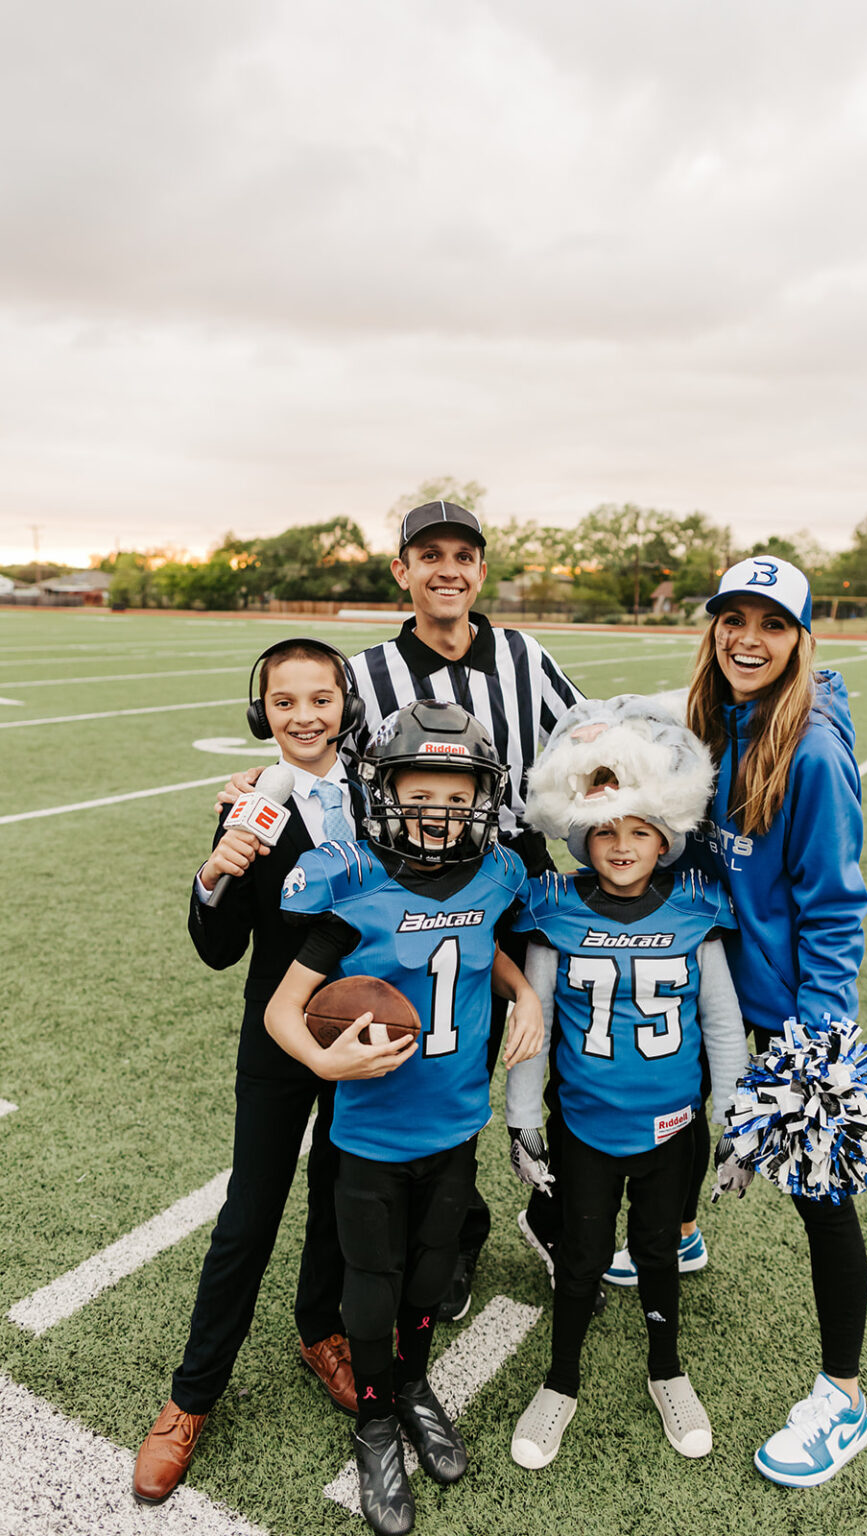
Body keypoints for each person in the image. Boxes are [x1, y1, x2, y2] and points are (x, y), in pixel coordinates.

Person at [224, 500, 586, 1318]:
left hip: (509, 866)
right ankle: (453, 1236)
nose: (447, 570)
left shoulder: (526, 655)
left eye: (463, 555)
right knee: (435, 1050)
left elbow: (585, 735)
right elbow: (320, 756)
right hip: (411, 879)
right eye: (430, 556)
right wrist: (260, 782)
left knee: (530, 1045)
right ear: (404, 571)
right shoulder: (368, 672)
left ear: (481, 570)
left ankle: (551, 1210)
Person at [265, 699, 543, 1536]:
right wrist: (321, 1061)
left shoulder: (497, 875)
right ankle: (375, 1421)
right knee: (373, 1285)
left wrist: (523, 991)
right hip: (371, 1137)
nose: (437, 812)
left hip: (455, 1127)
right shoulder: (353, 881)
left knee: (431, 1277)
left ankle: (414, 1384)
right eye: (420, 791)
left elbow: (477, 943)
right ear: (384, 790)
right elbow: (284, 1009)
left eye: (457, 798)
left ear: (482, 801)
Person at [133, 638, 368, 1506]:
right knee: (249, 1212)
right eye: (283, 702)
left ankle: (321, 1330)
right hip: (277, 1031)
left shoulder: (381, 791)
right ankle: (191, 1397)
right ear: (260, 713)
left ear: (345, 702)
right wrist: (213, 874)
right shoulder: (253, 807)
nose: (304, 716)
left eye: (320, 698)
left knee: (345, 1193)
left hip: (367, 1025)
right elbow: (217, 950)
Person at [501, 700, 748, 1470]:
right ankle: (560, 1382)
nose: (621, 845)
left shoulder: (696, 912)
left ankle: (667, 1371)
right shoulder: (556, 912)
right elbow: (532, 1027)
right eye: (604, 830)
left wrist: (735, 1118)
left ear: (664, 837)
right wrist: (519, 1121)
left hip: (671, 1128)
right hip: (583, 1127)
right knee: (579, 1261)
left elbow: (721, 1028)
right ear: (581, 833)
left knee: (656, 1253)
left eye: (638, 830)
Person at [687, 555, 867, 1487]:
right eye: (733, 619)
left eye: (770, 624)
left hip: (791, 1010)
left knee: (819, 1191)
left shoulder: (812, 750)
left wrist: (814, 1048)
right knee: (668, 1109)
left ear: (802, 639)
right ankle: (678, 1232)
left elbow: (836, 910)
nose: (746, 639)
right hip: (713, 979)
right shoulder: (716, 717)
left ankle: (842, 1396)